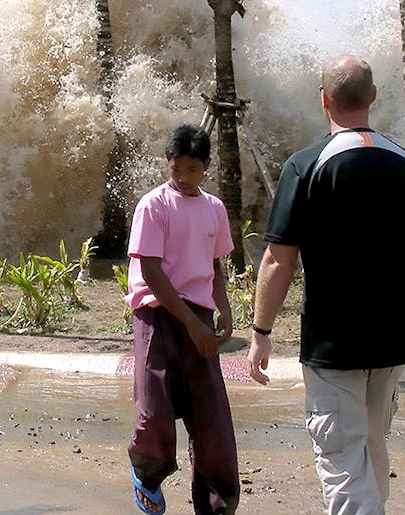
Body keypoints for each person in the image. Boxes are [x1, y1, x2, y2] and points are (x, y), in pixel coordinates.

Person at [246, 56, 405, 515]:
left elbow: (277, 259)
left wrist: (261, 333)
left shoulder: (306, 165)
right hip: (391, 341)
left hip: (333, 344)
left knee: (341, 459)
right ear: (373, 96)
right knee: (372, 448)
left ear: (324, 100)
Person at [125, 124, 240, 515]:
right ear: (168, 165)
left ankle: (215, 502)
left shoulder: (214, 208)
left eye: (192, 170)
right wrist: (192, 324)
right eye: (176, 169)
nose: (183, 178)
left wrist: (222, 309)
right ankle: (147, 472)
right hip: (157, 315)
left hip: (201, 316)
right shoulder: (153, 206)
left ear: (206, 166)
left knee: (211, 418)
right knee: (154, 409)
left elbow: (215, 264)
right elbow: (152, 272)